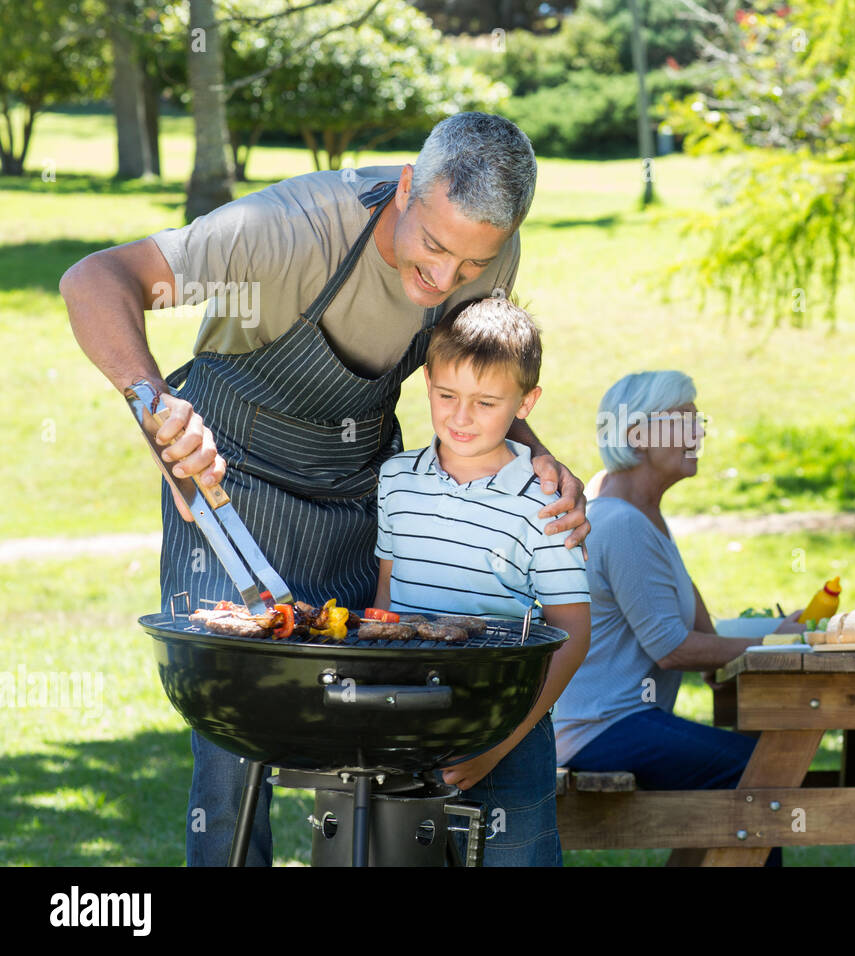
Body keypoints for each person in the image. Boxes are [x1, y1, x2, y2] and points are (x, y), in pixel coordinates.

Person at [61, 112, 590, 866]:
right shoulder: (293, 227)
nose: (444, 281)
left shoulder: (485, 246)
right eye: (434, 247)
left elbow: (472, 379)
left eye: (470, 268)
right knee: (233, 736)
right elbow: (94, 278)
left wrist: (536, 458)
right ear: (407, 188)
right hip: (226, 482)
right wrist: (156, 407)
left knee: (382, 715)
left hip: (356, 495)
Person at [371, 295, 589, 865]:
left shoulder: (545, 504)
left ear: (526, 402)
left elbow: (573, 632)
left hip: (508, 727)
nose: (461, 418)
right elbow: (384, 604)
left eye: (486, 402)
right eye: (447, 395)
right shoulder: (395, 482)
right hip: (407, 718)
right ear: (427, 383)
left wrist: (499, 745)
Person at [553, 371, 800, 865]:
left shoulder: (641, 515)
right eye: (683, 421)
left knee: (748, 771)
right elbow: (673, 648)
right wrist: (779, 644)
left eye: (698, 420)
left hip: (617, 724)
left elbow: (698, 630)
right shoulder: (621, 521)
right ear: (637, 435)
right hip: (598, 730)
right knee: (762, 773)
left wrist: (768, 636)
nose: (699, 433)